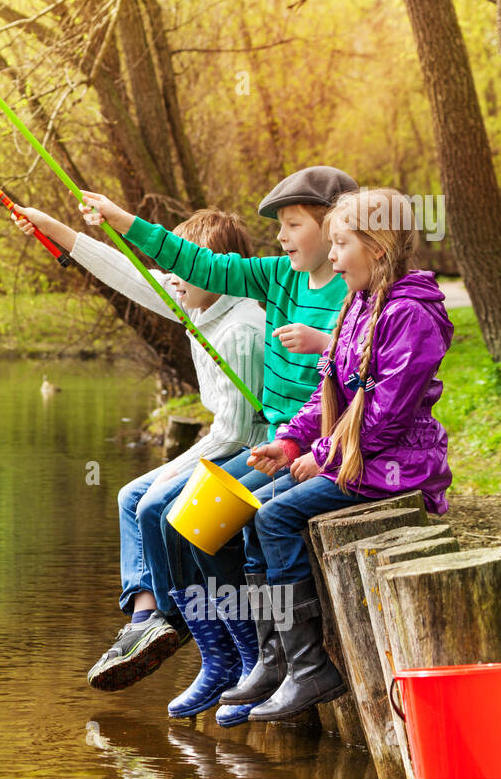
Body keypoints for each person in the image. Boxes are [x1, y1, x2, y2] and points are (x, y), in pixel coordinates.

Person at [77, 165, 357, 724]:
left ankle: (261, 658)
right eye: (280, 225)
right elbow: (203, 264)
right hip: (283, 440)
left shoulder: (355, 295)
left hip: (321, 450)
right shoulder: (280, 277)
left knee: (212, 520)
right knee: (191, 521)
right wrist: (119, 219)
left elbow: (372, 377)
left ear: (333, 227)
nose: (280, 236)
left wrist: (325, 342)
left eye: (293, 224)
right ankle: (229, 657)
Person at [10, 205, 265, 692]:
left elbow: (236, 433)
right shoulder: (198, 302)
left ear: (218, 267)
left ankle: (191, 630)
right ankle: (145, 616)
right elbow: (125, 272)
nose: (172, 277)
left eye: (183, 267)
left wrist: (176, 472)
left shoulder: (241, 329)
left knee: (157, 505)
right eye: (173, 267)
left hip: (249, 447)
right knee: (130, 497)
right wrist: (56, 229)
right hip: (225, 440)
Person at [228, 187, 453, 722]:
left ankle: (310, 668)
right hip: (359, 455)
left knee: (276, 516)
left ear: (377, 247)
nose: (331, 256)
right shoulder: (358, 304)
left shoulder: (412, 316)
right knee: (244, 511)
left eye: (341, 243)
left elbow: (385, 415)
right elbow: (330, 389)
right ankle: (275, 655)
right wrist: (291, 441)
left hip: (396, 466)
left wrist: (324, 456)